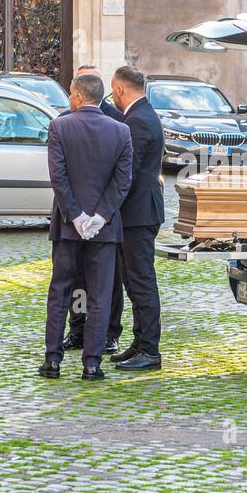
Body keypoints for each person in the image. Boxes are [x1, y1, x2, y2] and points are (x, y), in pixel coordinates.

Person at [41, 73, 132, 381]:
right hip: (104, 231)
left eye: (70, 94)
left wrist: (76, 216)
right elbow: (123, 182)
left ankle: (52, 361)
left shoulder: (60, 126)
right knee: (100, 295)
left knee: (60, 292)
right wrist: (100, 216)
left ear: (78, 97)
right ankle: (91, 364)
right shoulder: (121, 131)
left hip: (68, 228)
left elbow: (58, 177)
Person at [107, 65, 164, 371]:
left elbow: (126, 174)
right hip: (137, 212)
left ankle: (150, 350)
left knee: (141, 281)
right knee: (132, 279)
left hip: (139, 214)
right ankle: (140, 341)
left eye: (112, 91)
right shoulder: (141, 115)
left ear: (119, 89)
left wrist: (106, 207)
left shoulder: (138, 120)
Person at [64, 63, 124, 352]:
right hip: (73, 216)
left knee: (109, 282)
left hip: (107, 216)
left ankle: (109, 332)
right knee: (77, 278)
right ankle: (77, 327)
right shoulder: (65, 120)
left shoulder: (118, 121)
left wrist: (102, 214)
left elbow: (123, 174)